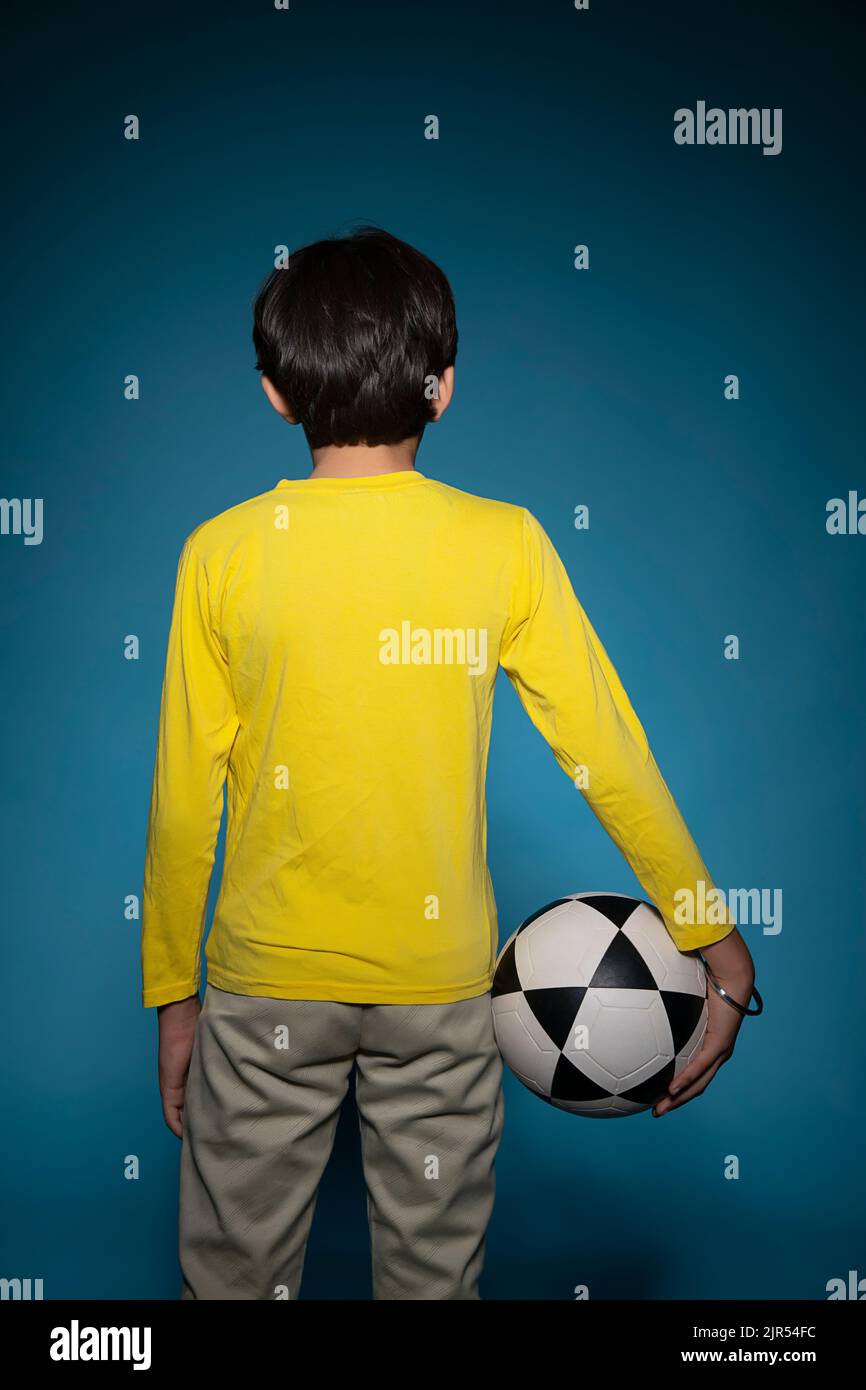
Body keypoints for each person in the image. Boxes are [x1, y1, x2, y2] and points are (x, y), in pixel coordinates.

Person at [141, 226, 756, 1300]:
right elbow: (605, 749)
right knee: (434, 1280)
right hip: (441, 991)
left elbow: (184, 800)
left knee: (232, 1277)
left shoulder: (220, 553)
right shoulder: (504, 543)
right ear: (444, 388)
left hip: (262, 985)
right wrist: (707, 930)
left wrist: (172, 995)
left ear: (277, 395)